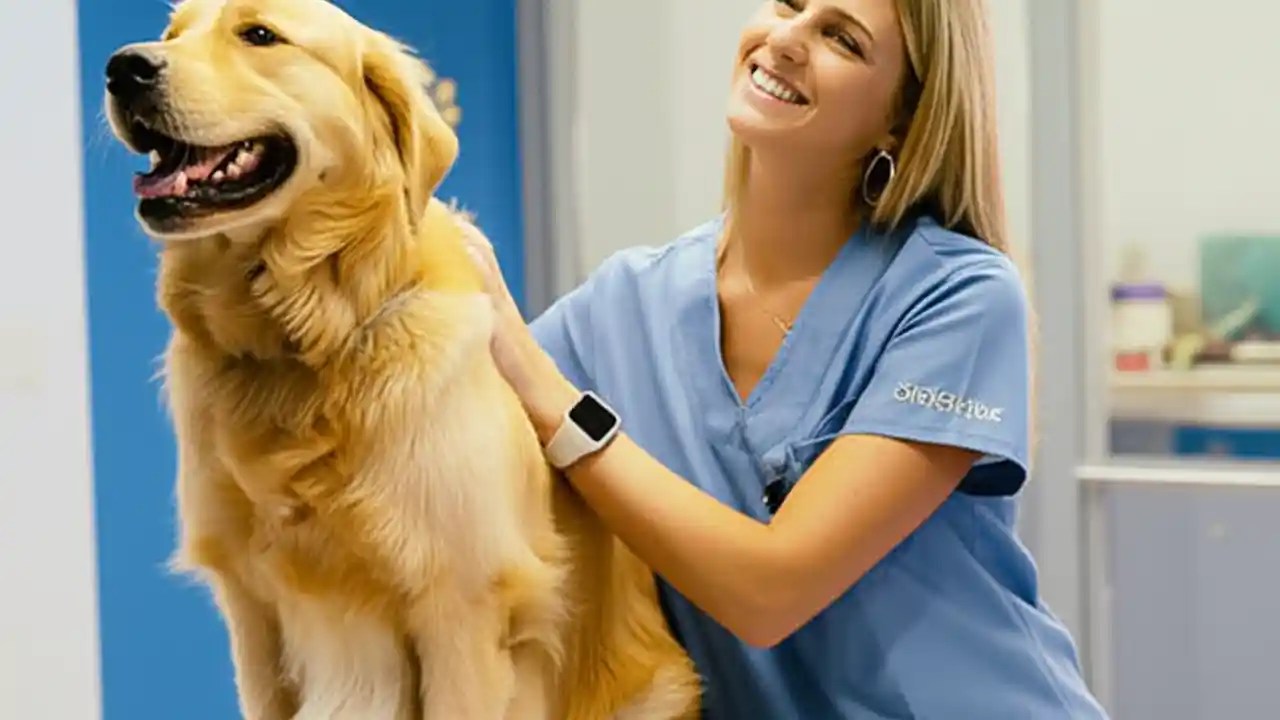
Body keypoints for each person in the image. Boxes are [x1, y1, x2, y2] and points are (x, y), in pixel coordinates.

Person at [461, 0, 1109, 717]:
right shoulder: (626, 303)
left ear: (901, 117)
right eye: (790, 5)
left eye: (841, 38)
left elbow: (772, 591)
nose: (788, 39)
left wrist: (549, 396)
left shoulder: (958, 296)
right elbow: (454, 443)